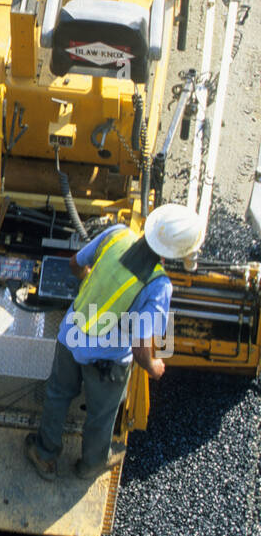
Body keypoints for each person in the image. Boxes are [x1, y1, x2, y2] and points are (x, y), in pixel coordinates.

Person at [25, 203, 205, 482]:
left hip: (70, 335)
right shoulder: (158, 286)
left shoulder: (117, 233)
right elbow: (140, 346)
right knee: (102, 414)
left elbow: (75, 265)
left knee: (58, 395)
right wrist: (154, 367)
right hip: (106, 359)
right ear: (178, 253)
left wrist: (92, 285)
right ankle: (90, 465)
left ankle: (44, 454)